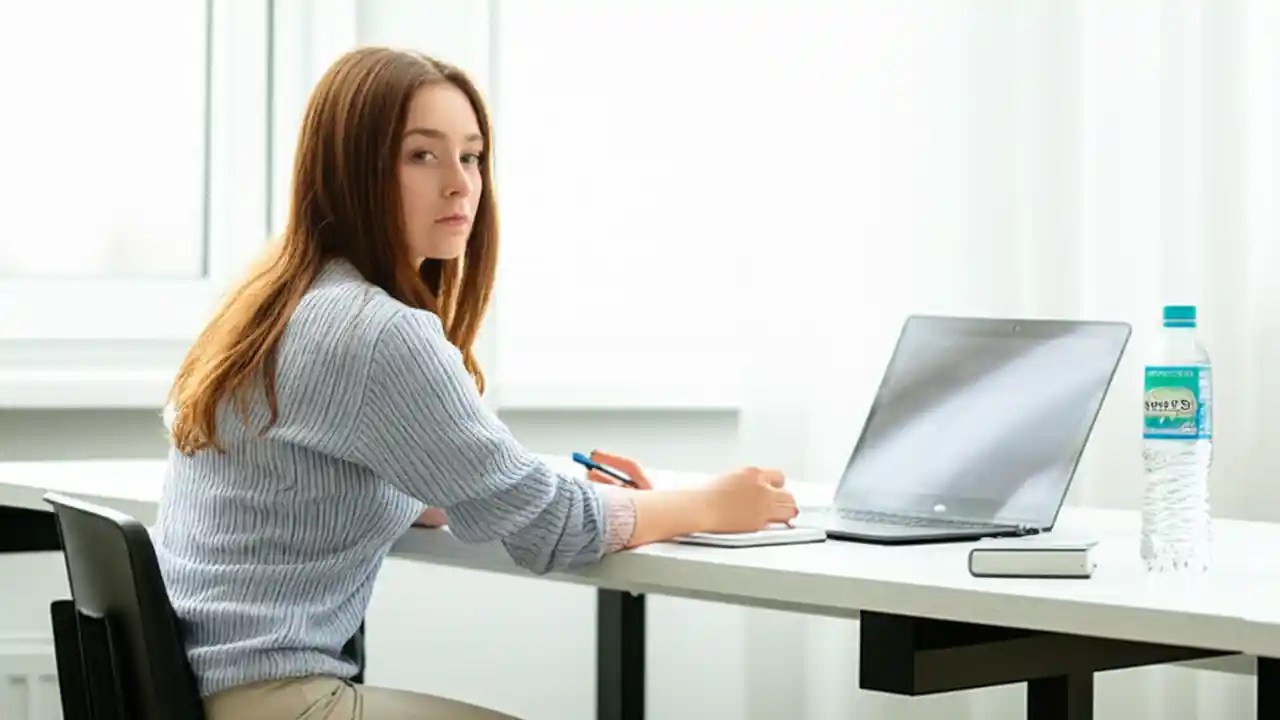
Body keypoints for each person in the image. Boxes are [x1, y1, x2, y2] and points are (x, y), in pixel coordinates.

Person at [152, 46, 798, 719]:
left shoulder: (279, 303)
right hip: (281, 702)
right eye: (421, 155)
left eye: (472, 156)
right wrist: (710, 505)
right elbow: (548, 528)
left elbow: (402, 480)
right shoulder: (375, 331)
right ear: (351, 170)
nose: (460, 184)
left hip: (209, 693)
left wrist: (507, 487)